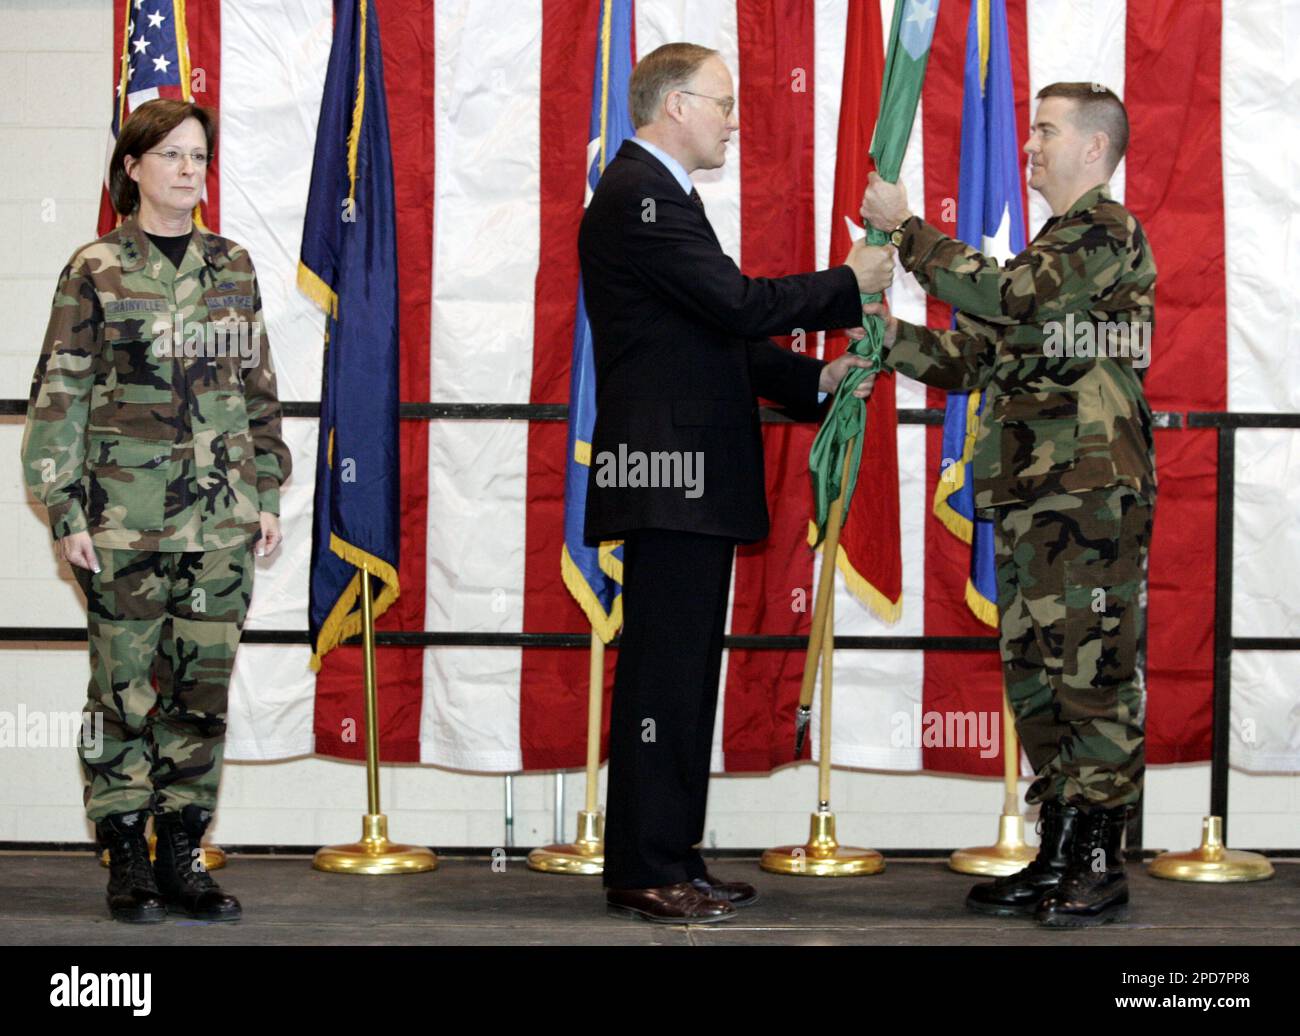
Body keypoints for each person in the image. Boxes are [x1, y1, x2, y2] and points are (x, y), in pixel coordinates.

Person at [580, 42, 893, 924]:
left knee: (681, 679)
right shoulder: (642, 194)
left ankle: (671, 852)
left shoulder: (660, 195)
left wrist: (813, 381)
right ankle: (644, 865)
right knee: (663, 681)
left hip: (684, 475)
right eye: (721, 102)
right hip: (668, 476)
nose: (733, 118)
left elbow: (716, 336)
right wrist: (847, 284)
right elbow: (739, 305)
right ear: (674, 105)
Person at [858, 82, 1155, 927]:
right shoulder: (1053, 249)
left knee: (1090, 674)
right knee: (1038, 679)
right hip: (1034, 494)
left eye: (1048, 130)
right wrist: (884, 341)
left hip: (1092, 494)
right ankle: (1059, 847)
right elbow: (971, 358)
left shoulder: (1106, 231)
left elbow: (1009, 299)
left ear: (1094, 150)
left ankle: (1099, 860)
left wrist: (910, 233)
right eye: (1030, 130)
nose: (1030, 144)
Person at [19, 98, 292, 923]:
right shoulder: (96, 267)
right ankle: (123, 854)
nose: (187, 170)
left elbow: (256, 389)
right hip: (121, 522)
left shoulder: (233, 266)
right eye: (170, 154)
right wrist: (64, 510)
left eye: (199, 157)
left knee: (200, 697)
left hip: (221, 521)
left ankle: (181, 852)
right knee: (123, 694)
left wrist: (267, 491)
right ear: (132, 167)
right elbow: (59, 394)